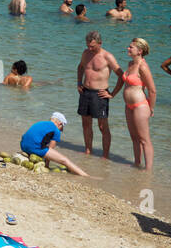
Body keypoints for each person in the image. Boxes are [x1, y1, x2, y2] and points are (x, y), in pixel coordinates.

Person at [76, 30, 123, 159]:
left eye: (92, 46)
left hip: (100, 94)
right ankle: (88, 150)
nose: (89, 48)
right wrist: (79, 82)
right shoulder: (86, 53)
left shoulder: (107, 56)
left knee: (102, 126)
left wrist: (112, 94)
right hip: (85, 92)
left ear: (100, 43)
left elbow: (122, 76)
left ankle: (105, 155)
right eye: (88, 45)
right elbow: (80, 67)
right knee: (86, 124)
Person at [121, 38, 156, 170]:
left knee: (144, 139)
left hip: (140, 105)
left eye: (131, 47)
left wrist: (151, 108)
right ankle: (136, 164)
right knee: (134, 137)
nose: (128, 49)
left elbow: (152, 90)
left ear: (140, 51)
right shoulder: (130, 64)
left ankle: (148, 170)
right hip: (128, 106)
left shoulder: (143, 66)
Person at [18, 112, 89, 176]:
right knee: (64, 160)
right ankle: (84, 175)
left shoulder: (41, 123)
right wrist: (47, 165)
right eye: (62, 127)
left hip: (23, 145)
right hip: (34, 148)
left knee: (41, 145)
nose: (62, 130)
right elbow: (51, 149)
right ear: (60, 124)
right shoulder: (56, 130)